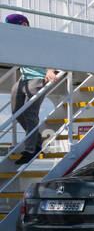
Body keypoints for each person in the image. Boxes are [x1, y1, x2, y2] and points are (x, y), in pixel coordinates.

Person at [5, 14, 57, 166]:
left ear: (24, 25)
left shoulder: (37, 39)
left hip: (38, 78)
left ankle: (31, 150)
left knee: (30, 113)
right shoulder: (17, 42)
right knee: (16, 112)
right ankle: (38, 140)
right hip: (23, 78)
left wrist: (50, 70)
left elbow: (51, 54)